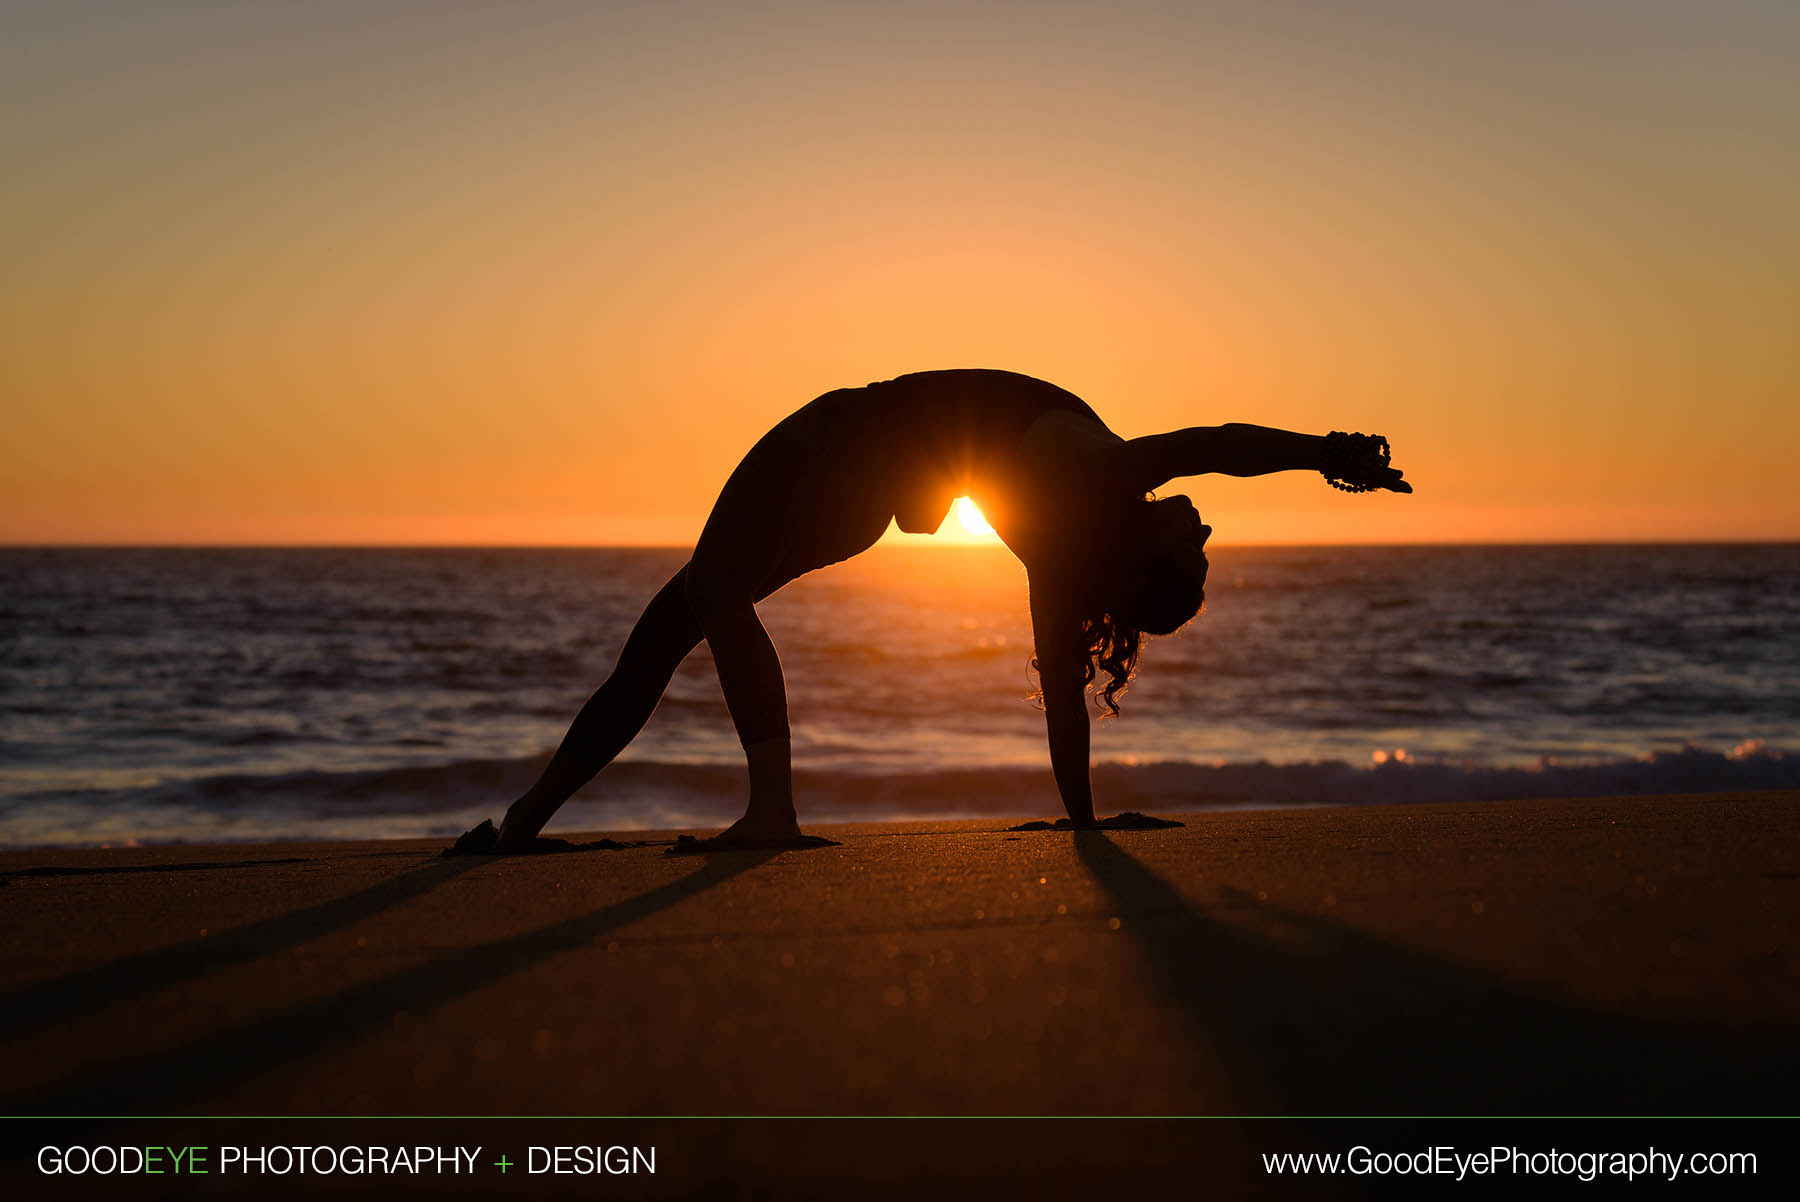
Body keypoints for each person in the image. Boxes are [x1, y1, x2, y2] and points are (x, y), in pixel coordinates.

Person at [470, 368, 1409, 852]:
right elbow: (1065, 705)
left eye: (1193, 556)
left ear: (1147, 560)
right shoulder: (1059, 556)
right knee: (675, 621)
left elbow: (1214, 443)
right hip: (865, 500)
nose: (1204, 534)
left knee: (700, 602)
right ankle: (525, 822)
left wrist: (1324, 450)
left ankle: (768, 814)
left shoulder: (1101, 482)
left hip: (841, 447)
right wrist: (1080, 825)